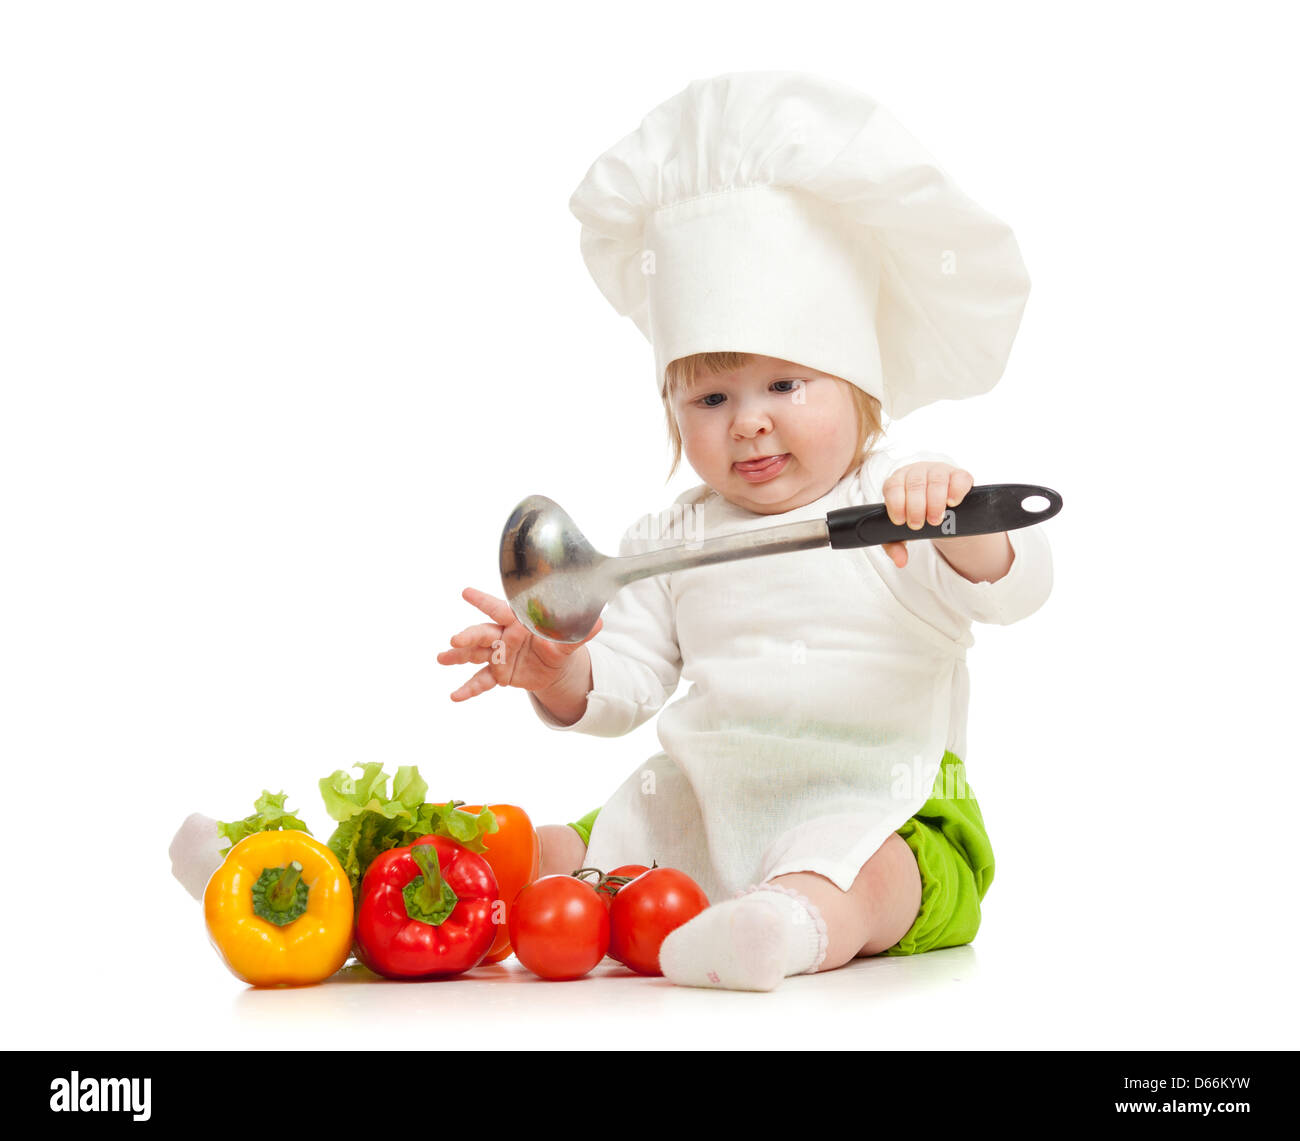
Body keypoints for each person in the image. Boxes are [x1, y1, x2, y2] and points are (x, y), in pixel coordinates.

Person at [438, 72, 1053, 991]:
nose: (749, 422)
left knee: (873, 874)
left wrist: (961, 523)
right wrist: (559, 668)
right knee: (577, 838)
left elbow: (1019, 584)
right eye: (712, 396)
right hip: (714, 799)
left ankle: (792, 925)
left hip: (885, 804)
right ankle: (400, 883)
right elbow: (629, 682)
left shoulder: (902, 503)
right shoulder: (671, 537)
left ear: (859, 384)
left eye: (786, 385)